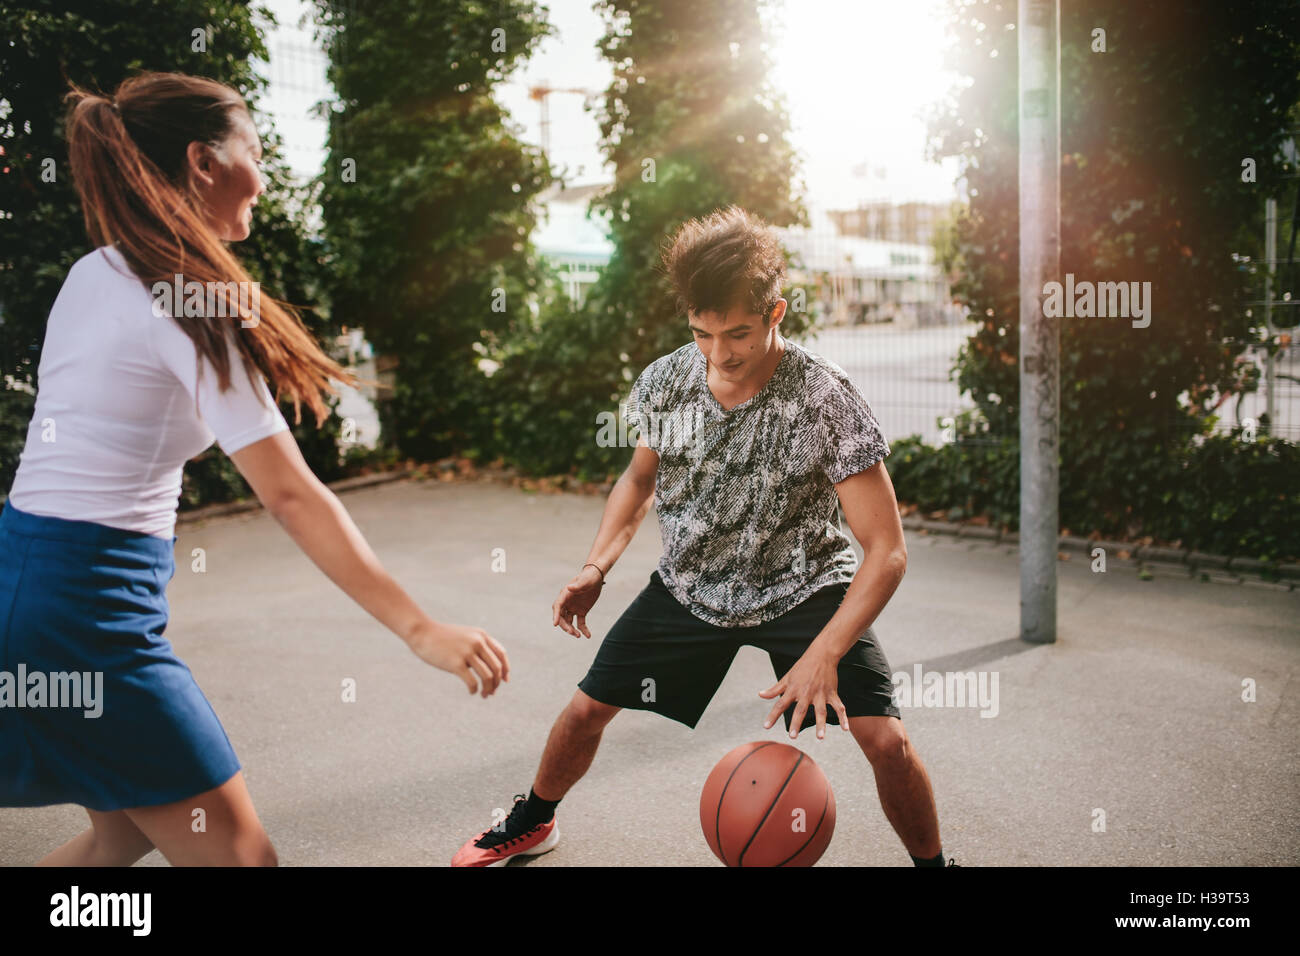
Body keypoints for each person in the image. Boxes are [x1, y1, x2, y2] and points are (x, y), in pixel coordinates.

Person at [0, 71, 508, 866]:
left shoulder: (93, 273)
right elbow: (291, 495)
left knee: (120, 838)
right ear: (204, 162)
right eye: (257, 153)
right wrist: (419, 628)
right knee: (242, 861)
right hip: (85, 615)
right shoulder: (191, 299)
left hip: (25, 582)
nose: (264, 179)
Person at [452, 206, 955, 867]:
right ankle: (533, 822)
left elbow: (886, 551)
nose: (720, 354)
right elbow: (638, 482)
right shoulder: (667, 381)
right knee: (583, 713)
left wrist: (826, 650)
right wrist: (596, 566)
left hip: (804, 587)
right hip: (690, 585)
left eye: (739, 333)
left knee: (886, 741)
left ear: (777, 312)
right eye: (703, 334)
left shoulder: (824, 398)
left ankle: (934, 866)